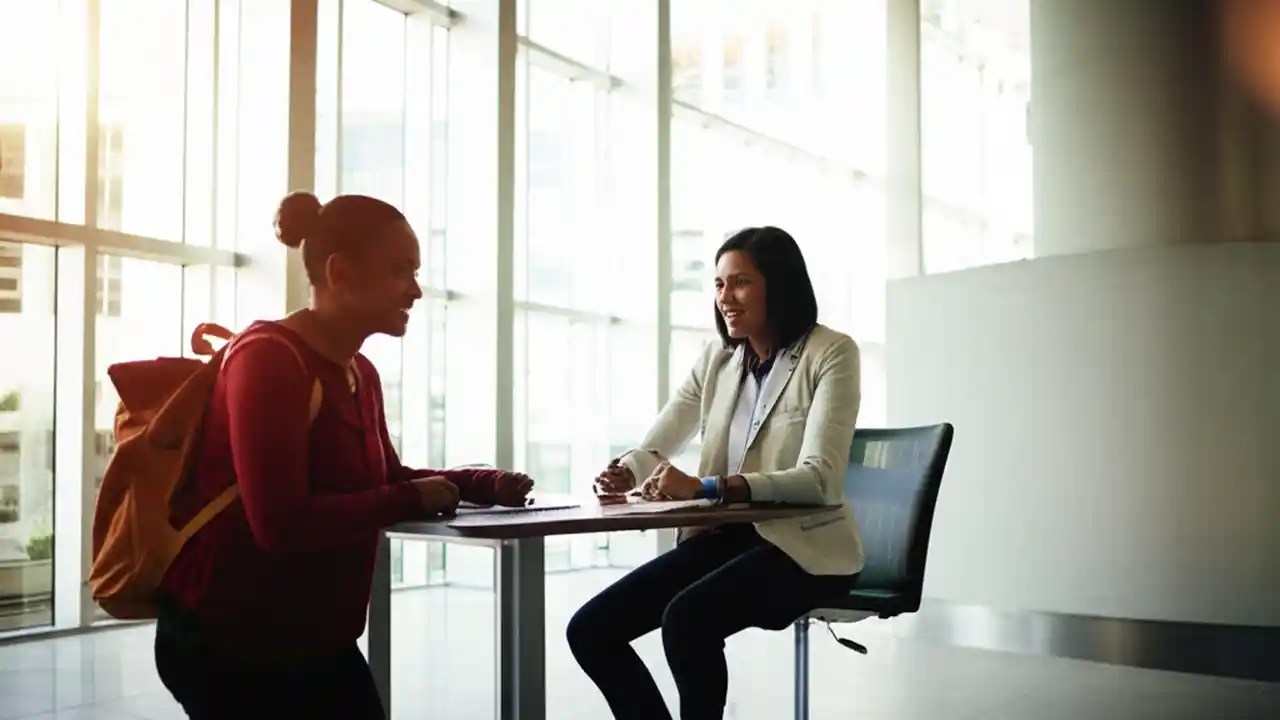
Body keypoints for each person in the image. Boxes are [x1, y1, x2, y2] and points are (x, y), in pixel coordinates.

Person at [154, 192, 534, 719]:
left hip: (308, 639)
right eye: (400, 271)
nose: (416, 289)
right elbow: (281, 523)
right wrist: (406, 495)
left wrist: (476, 483)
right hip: (231, 642)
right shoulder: (269, 360)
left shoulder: (359, 370)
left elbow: (384, 479)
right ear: (341, 274)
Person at [567, 226, 864, 720]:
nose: (726, 297)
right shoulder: (718, 358)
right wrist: (627, 469)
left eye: (741, 282)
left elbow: (820, 479)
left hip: (805, 548)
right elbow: (662, 437)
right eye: (719, 284)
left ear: (780, 284)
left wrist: (708, 487)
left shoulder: (831, 352)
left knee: (687, 618)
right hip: (726, 539)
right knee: (591, 630)